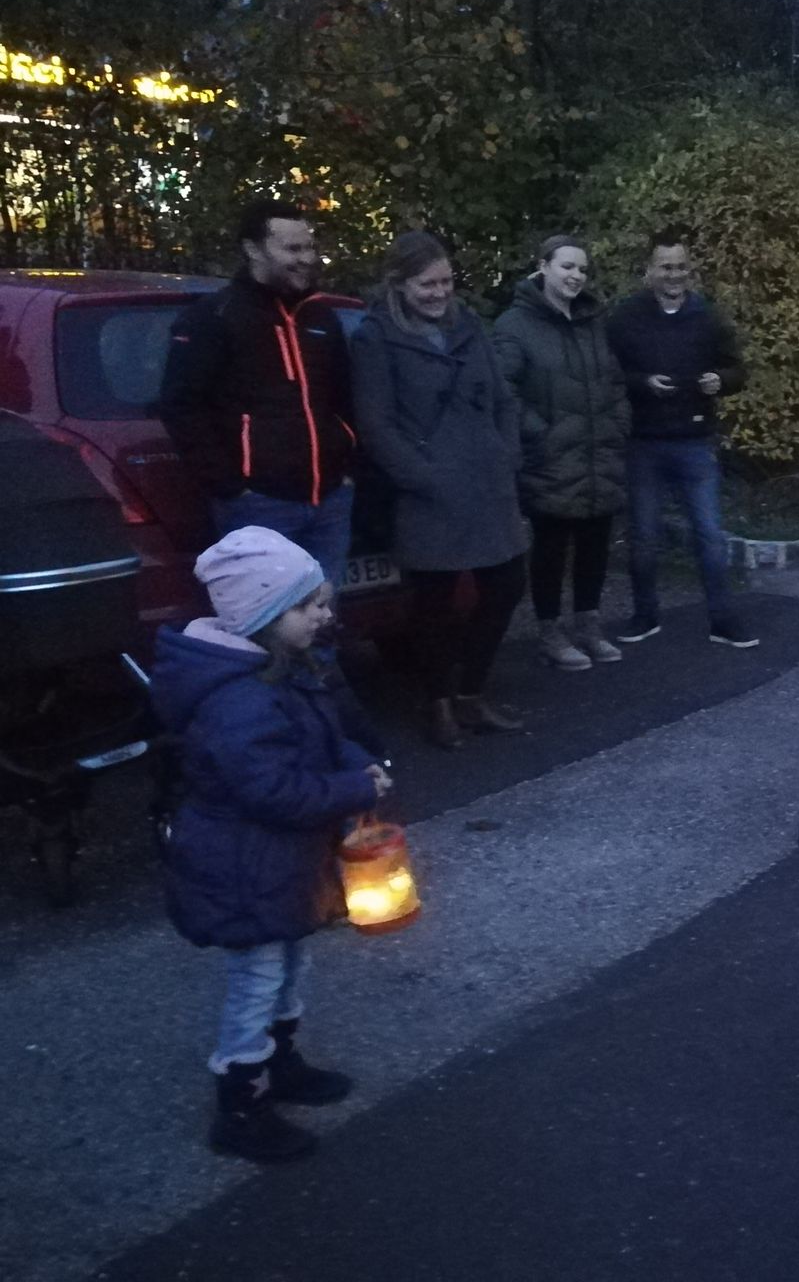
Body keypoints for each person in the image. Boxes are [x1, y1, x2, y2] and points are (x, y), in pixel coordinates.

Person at [151, 527, 391, 1163]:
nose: (323, 616)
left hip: (278, 863)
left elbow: (321, 736)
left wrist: (357, 763)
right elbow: (274, 791)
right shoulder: (238, 702)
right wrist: (351, 787)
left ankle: (280, 1061)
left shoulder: (280, 670)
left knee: (288, 964)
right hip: (244, 866)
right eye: (307, 606)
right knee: (257, 978)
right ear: (262, 615)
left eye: (322, 602)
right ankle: (241, 1103)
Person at [351, 232, 529, 749]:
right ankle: (438, 704)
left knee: (505, 585)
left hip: (488, 481)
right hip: (428, 492)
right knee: (434, 604)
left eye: (446, 281)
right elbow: (376, 424)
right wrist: (421, 478)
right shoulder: (375, 337)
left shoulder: (467, 323)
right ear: (399, 283)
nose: (439, 292)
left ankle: (471, 692)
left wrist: (507, 452)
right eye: (427, 284)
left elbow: (502, 398)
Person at [159, 197, 359, 586]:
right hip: (258, 505)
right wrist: (231, 487)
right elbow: (181, 405)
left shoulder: (321, 316)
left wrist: (349, 468)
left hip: (331, 499)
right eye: (292, 249)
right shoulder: (214, 318)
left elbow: (345, 398)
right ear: (253, 250)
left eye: (309, 247)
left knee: (322, 615)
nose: (307, 258)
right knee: (264, 617)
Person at [604, 232, 755, 648]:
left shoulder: (708, 317)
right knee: (644, 537)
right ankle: (644, 615)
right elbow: (608, 373)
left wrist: (720, 380)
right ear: (650, 270)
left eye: (681, 266)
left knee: (709, 535)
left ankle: (722, 620)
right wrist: (643, 382)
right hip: (645, 442)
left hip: (695, 441)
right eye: (666, 267)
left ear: (690, 270)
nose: (675, 274)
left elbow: (738, 370)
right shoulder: (626, 318)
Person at [493, 236, 630, 671]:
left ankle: (588, 624)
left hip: (598, 453)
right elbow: (502, 390)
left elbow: (615, 382)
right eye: (567, 266)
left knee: (595, 544)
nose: (576, 276)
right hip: (550, 459)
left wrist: (617, 424)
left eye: (582, 269)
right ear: (543, 266)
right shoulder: (515, 325)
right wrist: (541, 434)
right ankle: (550, 632)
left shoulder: (593, 322)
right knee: (551, 548)